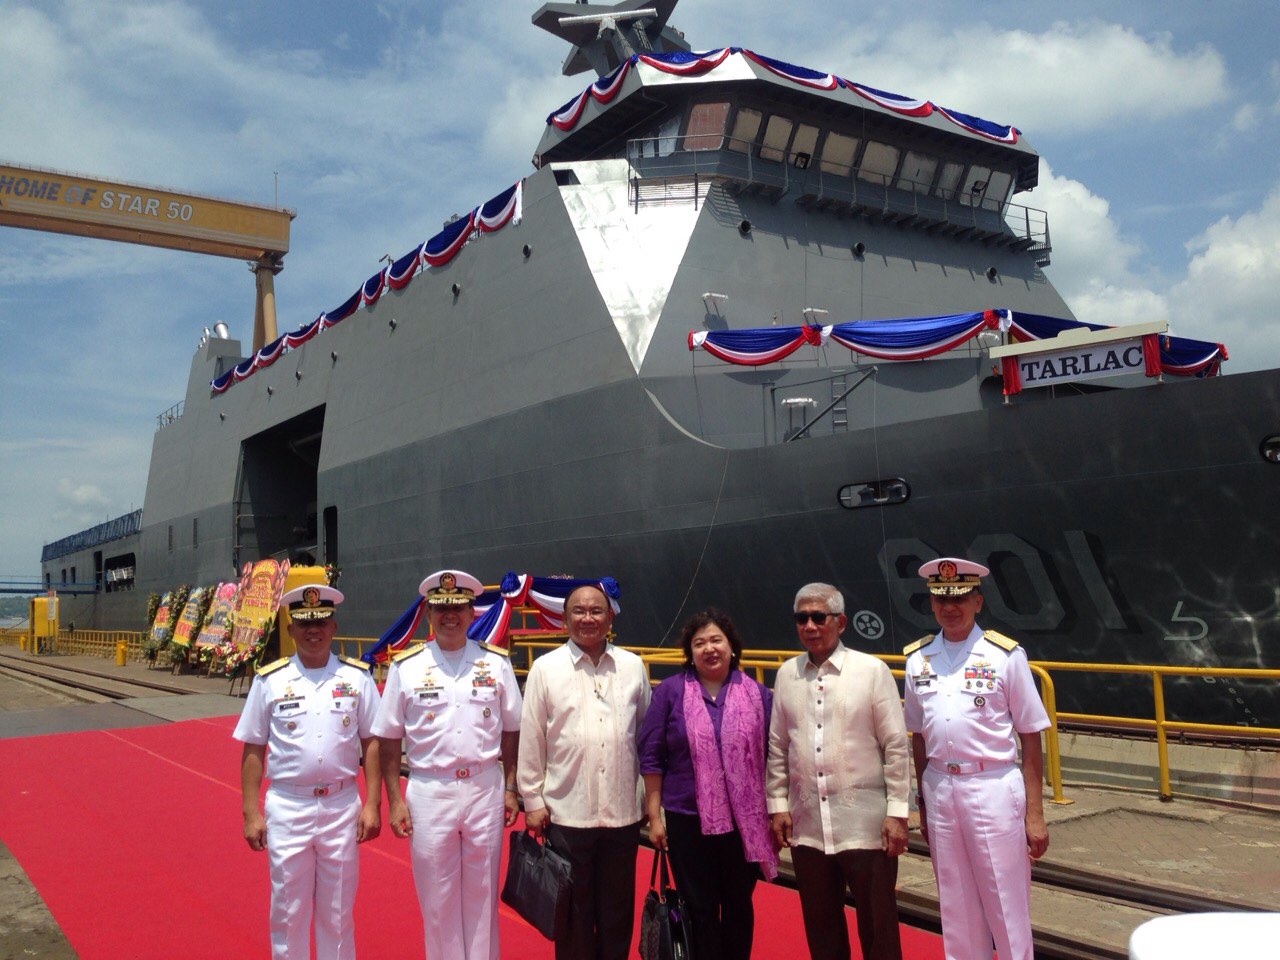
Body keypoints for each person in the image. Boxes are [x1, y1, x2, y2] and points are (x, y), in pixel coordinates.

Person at [902, 557, 1051, 960]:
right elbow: (918, 735)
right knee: (956, 904)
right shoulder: (918, 660)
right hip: (940, 788)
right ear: (932, 604)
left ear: (978, 602)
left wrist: (1034, 813)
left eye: (961, 597)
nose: (951, 607)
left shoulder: (1005, 656)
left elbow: (1030, 734)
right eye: (941, 598)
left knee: (1005, 902)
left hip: (993, 787)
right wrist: (922, 801)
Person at [372, 569, 522, 960]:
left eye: (458, 607)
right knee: (437, 897)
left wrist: (510, 788)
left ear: (473, 612)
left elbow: (512, 730)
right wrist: (395, 799)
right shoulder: (407, 668)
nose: (449, 615)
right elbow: (388, 738)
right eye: (440, 608)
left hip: (484, 788)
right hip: (429, 789)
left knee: (483, 894)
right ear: (428, 614)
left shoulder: (496, 663)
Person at [233, 583, 382, 960]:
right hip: (288, 808)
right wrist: (251, 812)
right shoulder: (270, 681)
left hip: (341, 805)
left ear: (333, 627)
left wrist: (374, 804)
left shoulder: (357, 678)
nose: (313, 630)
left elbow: (373, 744)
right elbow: (253, 748)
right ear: (291, 630)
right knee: (287, 912)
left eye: (322, 621)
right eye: (304, 623)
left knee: (338, 913)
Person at [767, 582, 909, 960]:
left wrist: (898, 813)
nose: (810, 626)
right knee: (821, 927)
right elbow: (778, 744)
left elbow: (896, 744)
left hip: (865, 825)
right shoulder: (786, 675)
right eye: (802, 618)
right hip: (809, 826)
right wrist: (778, 804)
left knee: (879, 928)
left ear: (841, 621)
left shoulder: (872, 671)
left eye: (819, 617)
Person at [516, 581, 651, 960]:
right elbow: (533, 737)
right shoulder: (545, 669)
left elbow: (646, 737)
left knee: (617, 913)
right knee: (573, 916)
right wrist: (532, 799)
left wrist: (647, 801)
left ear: (610, 617)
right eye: (579, 611)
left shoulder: (632, 666)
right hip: (567, 813)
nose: (588, 618)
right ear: (564, 619)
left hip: (622, 813)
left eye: (596, 611)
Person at [637, 608, 778, 960]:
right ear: (690, 652)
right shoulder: (669, 693)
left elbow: (775, 757)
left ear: (732, 647)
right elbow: (652, 756)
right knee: (698, 907)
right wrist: (655, 817)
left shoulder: (759, 695)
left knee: (738, 905)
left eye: (717, 640)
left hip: (744, 822)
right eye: (699, 643)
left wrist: (778, 812)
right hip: (688, 818)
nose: (709, 649)